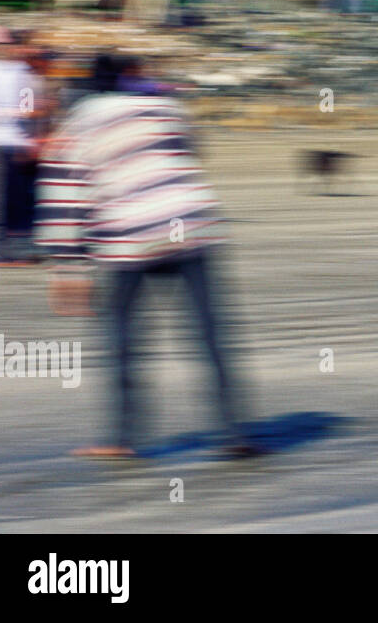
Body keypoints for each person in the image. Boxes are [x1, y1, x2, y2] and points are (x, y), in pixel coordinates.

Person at [35, 54, 258, 459]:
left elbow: (64, 190)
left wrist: (66, 266)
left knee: (122, 338)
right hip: (191, 224)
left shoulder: (78, 121)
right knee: (210, 335)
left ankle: (120, 438)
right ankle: (233, 433)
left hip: (130, 235)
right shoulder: (166, 106)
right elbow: (190, 153)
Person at [0, 28, 39, 265]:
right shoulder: (19, 72)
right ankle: (13, 251)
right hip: (13, 141)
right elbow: (27, 110)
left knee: (6, 199)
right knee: (17, 199)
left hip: (0, 140)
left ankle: (4, 250)